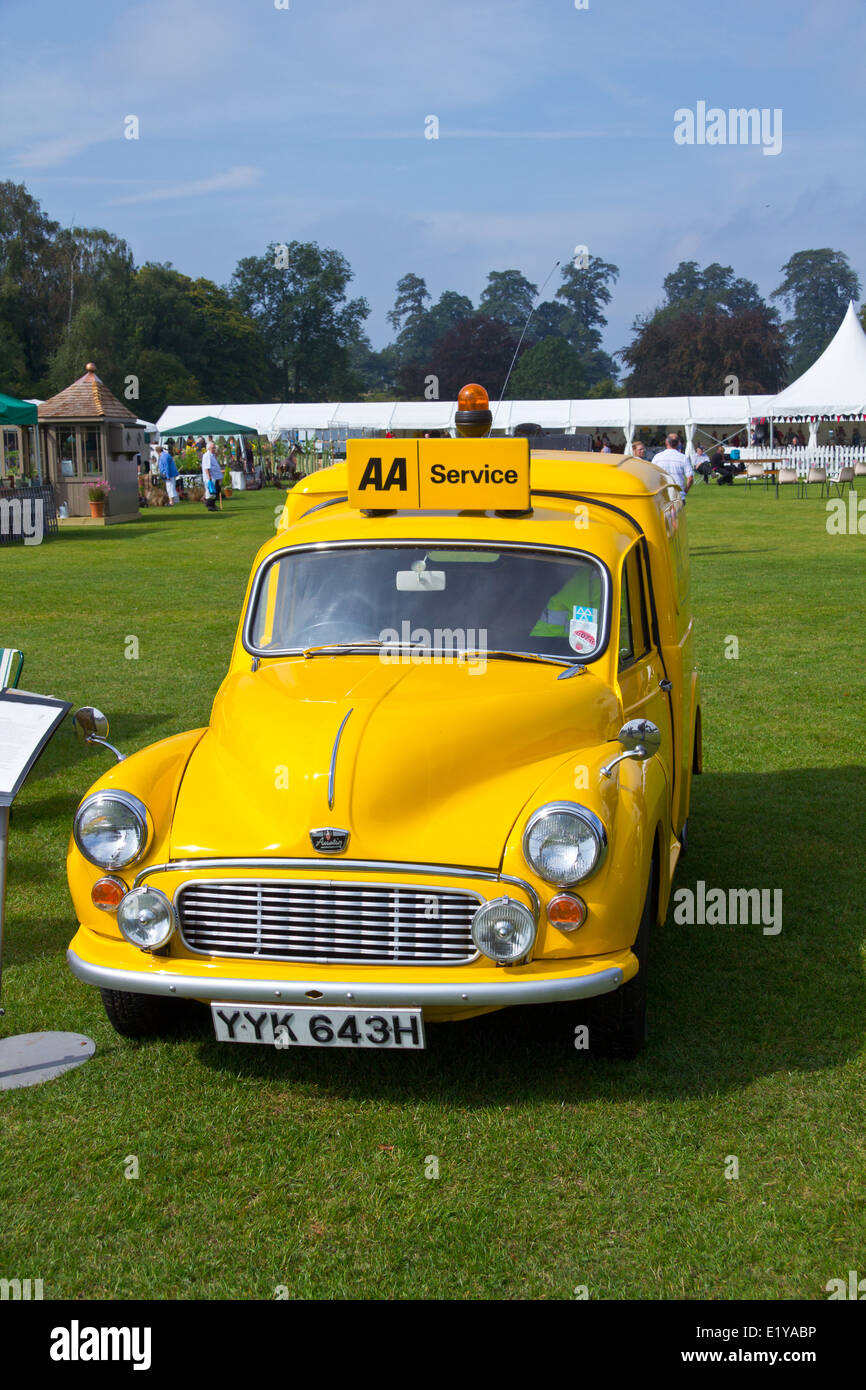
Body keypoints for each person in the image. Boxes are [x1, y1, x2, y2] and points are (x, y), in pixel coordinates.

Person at [201, 439, 222, 511]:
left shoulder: (212, 455)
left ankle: (212, 504)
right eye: (213, 448)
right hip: (210, 477)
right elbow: (207, 468)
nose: (214, 449)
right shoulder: (207, 456)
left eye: (214, 447)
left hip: (215, 476)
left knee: (216, 490)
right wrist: (209, 477)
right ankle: (210, 506)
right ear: (209, 448)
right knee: (211, 492)